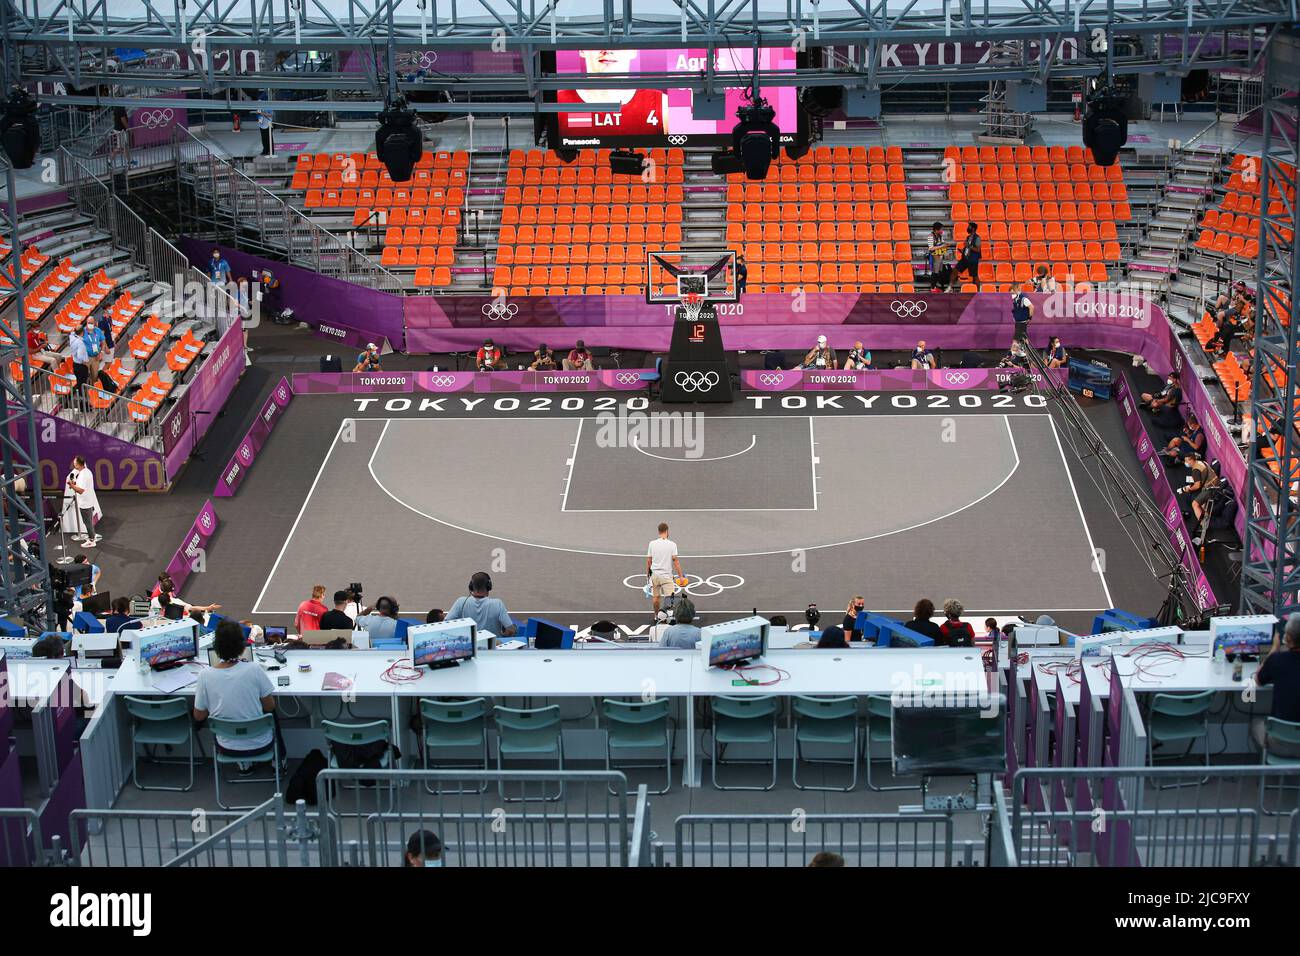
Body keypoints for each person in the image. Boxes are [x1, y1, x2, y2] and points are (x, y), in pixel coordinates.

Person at [193, 620, 279, 773]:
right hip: (261, 743)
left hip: (226, 746)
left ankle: (244, 765)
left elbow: (199, 716)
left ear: (217, 646)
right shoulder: (254, 669)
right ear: (241, 646)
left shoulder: (204, 676)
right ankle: (279, 763)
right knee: (274, 717)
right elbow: (270, 706)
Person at [556, 50, 669, 139]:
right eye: (598, 41)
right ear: (582, 50)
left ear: (633, 51)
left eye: (616, 43)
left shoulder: (662, 105)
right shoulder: (558, 104)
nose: (607, 50)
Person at [1252, 613, 1300, 758]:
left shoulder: (1277, 661)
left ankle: (1265, 771)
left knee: (1255, 722)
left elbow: (1258, 680)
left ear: (1288, 638)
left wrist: (1274, 649)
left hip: (1279, 745)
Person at [447, 571, 517, 637]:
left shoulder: (461, 602)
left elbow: (446, 623)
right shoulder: (498, 603)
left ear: (471, 586)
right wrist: (503, 634)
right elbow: (511, 630)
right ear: (489, 586)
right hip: (492, 647)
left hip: (469, 647)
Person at [645, 522, 685, 619]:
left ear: (659, 531)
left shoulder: (652, 544)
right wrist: (681, 576)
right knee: (670, 599)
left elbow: (649, 561)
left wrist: (648, 575)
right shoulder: (672, 544)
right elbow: (675, 561)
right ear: (667, 531)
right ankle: (669, 617)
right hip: (666, 576)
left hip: (655, 575)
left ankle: (656, 616)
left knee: (656, 598)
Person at [64, 455, 101, 546]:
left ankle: (91, 541)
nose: (73, 464)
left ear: (78, 465)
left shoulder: (84, 474)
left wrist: (71, 484)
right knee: (88, 521)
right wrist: (74, 484)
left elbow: (80, 490)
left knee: (87, 522)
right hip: (87, 501)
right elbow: (82, 486)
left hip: (85, 503)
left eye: (75, 463)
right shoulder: (86, 471)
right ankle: (92, 535)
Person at [1182, 453, 1221, 524]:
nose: (1186, 463)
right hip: (1216, 484)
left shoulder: (1195, 470)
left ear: (1191, 460)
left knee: (1195, 504)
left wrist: (1189, 489)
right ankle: (1207, 520)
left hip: (1211, 488)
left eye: (1187, 461)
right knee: (1202, 503)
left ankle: (1203, 524)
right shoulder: (1201, 462)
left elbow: (1197, 486)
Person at [68, 318, 90, 393]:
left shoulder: (72, 337)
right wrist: (85, 363)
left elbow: (72, 333)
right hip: (81, 366)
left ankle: (80, 395)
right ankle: (81, 398)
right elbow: (80, 357)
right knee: (82, 383)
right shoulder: (79, 342)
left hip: (75, 364)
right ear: (82, 332)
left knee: (79, 382)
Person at [956, 223, 982, 288]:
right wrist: (962, 251)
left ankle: (978, 291)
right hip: (966, 258)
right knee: (955, 270)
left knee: (975, 276)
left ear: (973, 229)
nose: (968, 228)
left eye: (969, 227)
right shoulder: (968, 237)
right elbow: (967, 248)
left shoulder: (977, 238)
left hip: (973, 259)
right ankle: (950, 287)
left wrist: (968, 246)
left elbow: (978, 250)